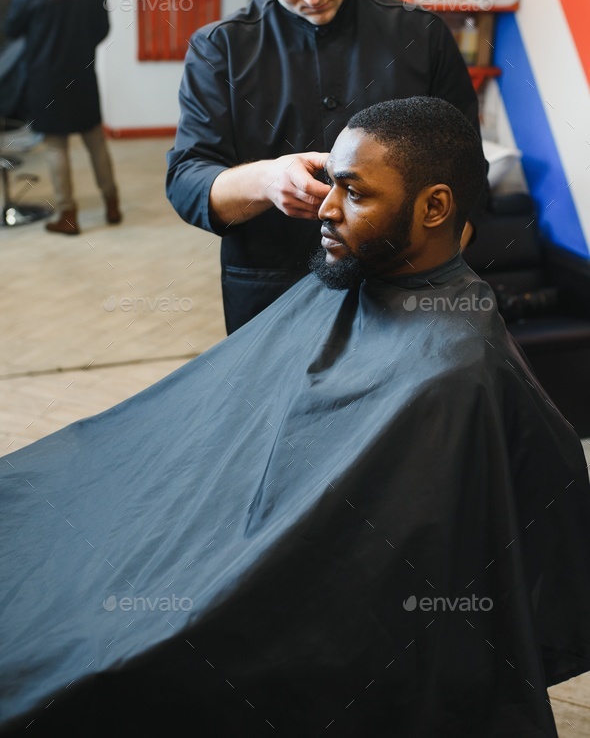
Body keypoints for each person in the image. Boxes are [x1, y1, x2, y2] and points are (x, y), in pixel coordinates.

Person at [2, 98, 589, 737]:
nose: (325, 209)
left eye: (353, 192)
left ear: (435, 207)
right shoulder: (353, 283)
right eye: (330, 182)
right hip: (176, 533)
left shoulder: (452, 374)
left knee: (75, 662)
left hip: (230, 607)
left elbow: (348, 579)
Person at [166, 0, 483, 334]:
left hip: (406, 297)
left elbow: (468, 174)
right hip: (270, 297)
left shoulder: (423, 36)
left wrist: (437, 271)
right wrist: (268, 181)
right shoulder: (219, 50)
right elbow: (188, 182)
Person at [4, 0, 121, 235]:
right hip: (83, 75)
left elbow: (13, 29)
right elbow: (102, 29)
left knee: (56, 147)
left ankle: (68, 215)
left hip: (47, 80)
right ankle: (112, 204)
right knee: (95, 141)